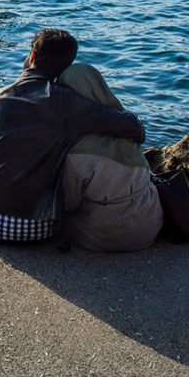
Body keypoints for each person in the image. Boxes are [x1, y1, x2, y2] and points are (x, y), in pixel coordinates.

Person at [0, 28, 146, 243]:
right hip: (43, 228)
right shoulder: (67, 102)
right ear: (66, 67)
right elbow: (130, 125)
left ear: (32, 55)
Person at [58, 62, 163, 251]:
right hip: (148, 229)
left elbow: (69, 203)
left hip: (100, 237)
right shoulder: (129, 128)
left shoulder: (78, 149)